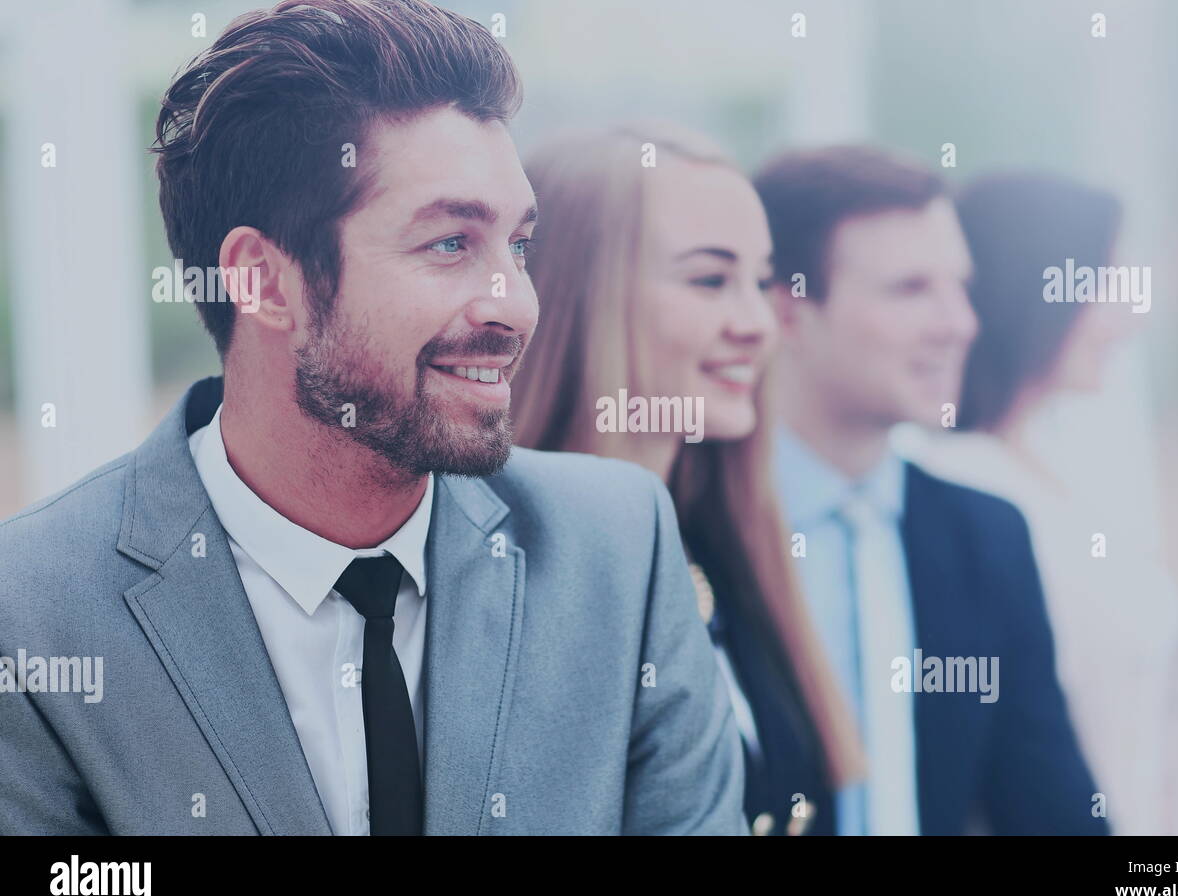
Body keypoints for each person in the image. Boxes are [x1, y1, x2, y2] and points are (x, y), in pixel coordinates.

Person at [0, 0, 746, 836]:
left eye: (520, 247)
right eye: (451, 243)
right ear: (264, 281)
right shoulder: (30, 612)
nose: (517, 305)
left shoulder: (617, 548)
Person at [511, 123, 865, 836]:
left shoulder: (726, 555)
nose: (759, 323)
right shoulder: (499, 589)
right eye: (710, 279)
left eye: (761, 282)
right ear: (579, 296)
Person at [753, 145, 1107, 835]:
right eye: (912, 288)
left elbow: (1053, 814)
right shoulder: (683, 528)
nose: (959, 323)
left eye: (961, 288)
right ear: (789, 313)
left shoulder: (987, 536)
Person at [894, 172, 1178, 834]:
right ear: (1034, 291)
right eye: (1101, 284)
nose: (1127, 318)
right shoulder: (957, 501)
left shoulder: (1065, 471)